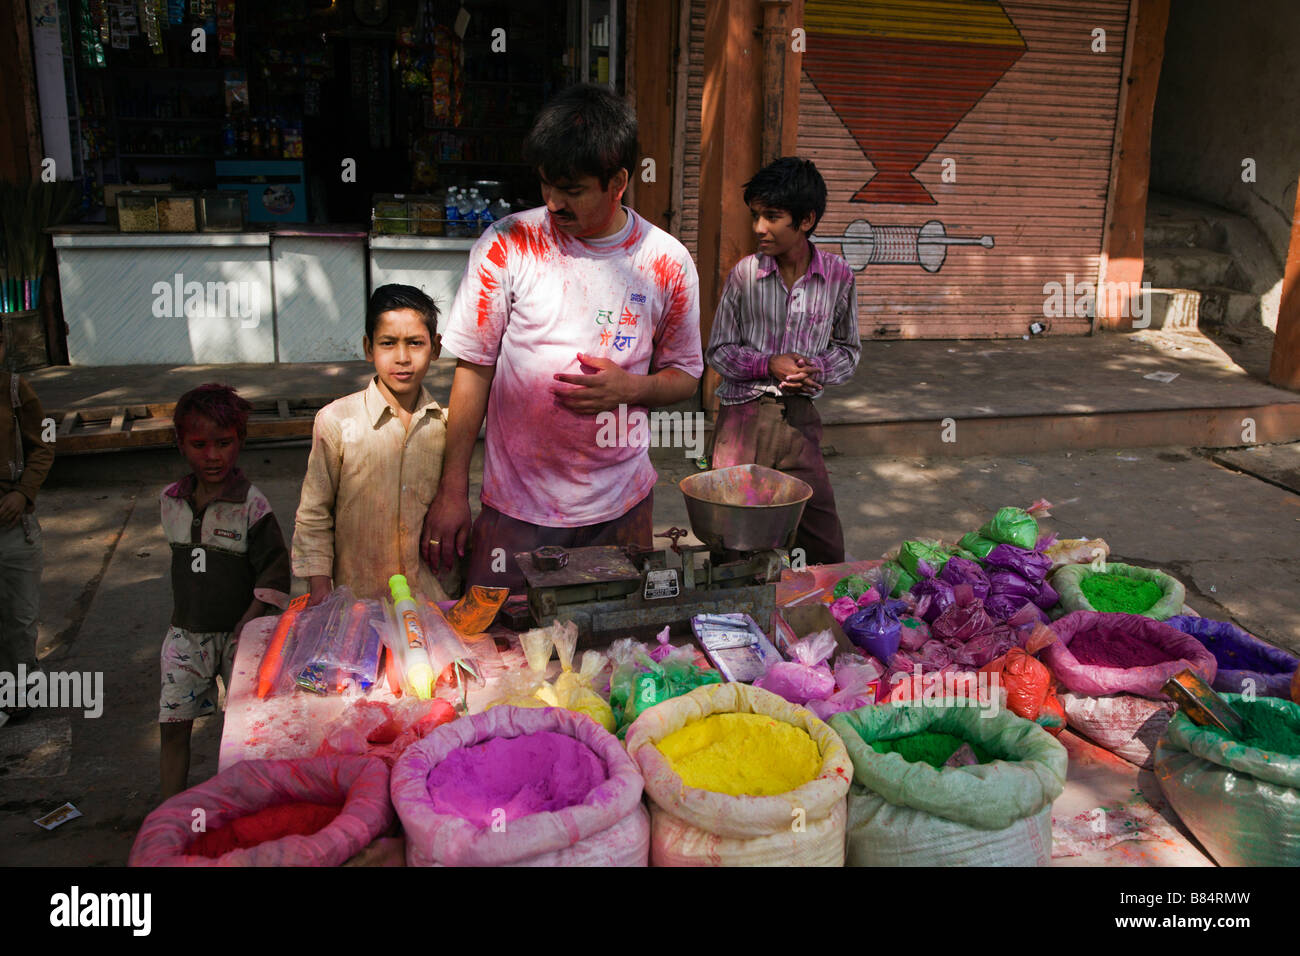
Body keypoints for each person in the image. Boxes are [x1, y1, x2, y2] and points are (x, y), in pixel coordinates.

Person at [421, 84, 703, 592]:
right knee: (505, 649)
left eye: (572, 189)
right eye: (546, 184)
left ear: (618, 182)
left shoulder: (667, 262)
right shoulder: (508, 244)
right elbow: (474, 369)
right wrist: (451, 490)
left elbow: (685, 375)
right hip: (516, 505)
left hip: (620, 505)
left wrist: (632, 389)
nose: (553, 202)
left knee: (610, 652)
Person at [705, 156, 861, 566]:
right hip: (742, 422)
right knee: (732, 543)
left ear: (806, 219)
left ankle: (818, 620)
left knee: (823, 544)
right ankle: (730, 624)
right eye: (756, 215)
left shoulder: (840, 277)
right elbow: (718, 350)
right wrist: (767, 364)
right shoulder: (744, 276)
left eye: (772, 216)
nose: (759, 228)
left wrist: (819, 368)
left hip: (799, 422)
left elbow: (849, 350)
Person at [159, 384, 289, 799]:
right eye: (199, 444)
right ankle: (171, 812)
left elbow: (275, 573)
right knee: (173, 726)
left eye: (224, 443)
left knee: (245, 729)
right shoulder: (171, 502)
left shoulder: (253, 506)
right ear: (180, 444)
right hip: (186, 635)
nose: (212, 456)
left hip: (241, 637)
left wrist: (250, 619)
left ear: (241, 441)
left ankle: (241, 806)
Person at [293, 284, 458, 604]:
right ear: (369, 347)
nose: (402, 357)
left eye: (415, 343)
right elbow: (314, 512)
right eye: (388, 343)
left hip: (430, 599)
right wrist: (320, 587)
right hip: (357, 598)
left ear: (435, 348)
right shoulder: (336, 421)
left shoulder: (448, 426)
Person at [0, 337, 55, 728]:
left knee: (19, 617)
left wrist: (24, 492)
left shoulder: (16, 390)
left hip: (12, 524)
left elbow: (45, 443)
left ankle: (18, 694)